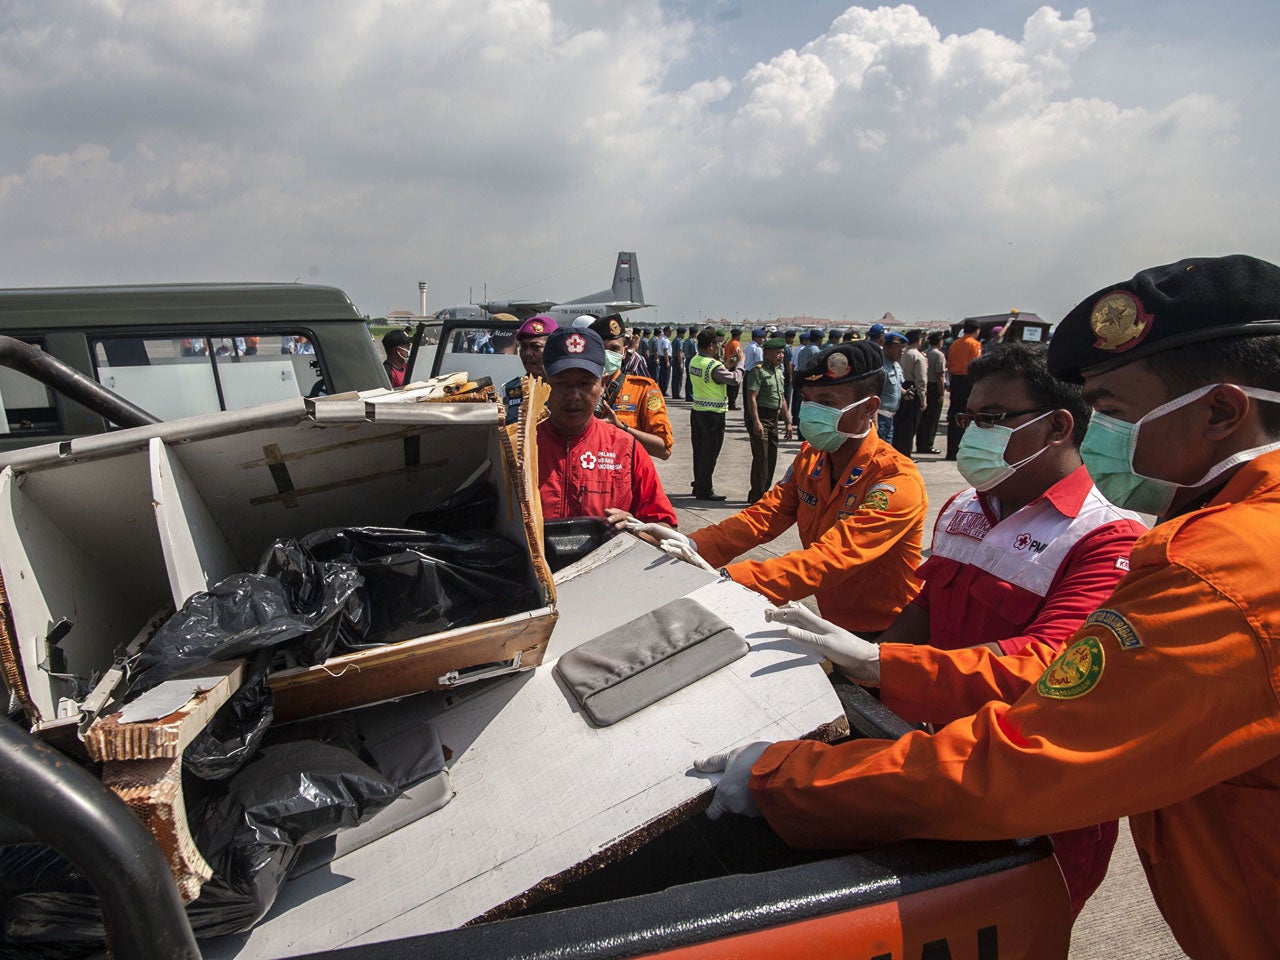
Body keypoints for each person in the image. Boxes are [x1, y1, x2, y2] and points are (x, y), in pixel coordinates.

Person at [697, 253, 1280, 958]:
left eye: (1115, 412)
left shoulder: (1206, 564)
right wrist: (865, 670)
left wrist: (786, 776)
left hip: (1011, 802)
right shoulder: (970, 510)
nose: (1104, 434)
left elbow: (1031, 752)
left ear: (1220, 410)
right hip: (935, 760)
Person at [870, 341, 1147, 915]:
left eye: (995, 420)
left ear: (1057, 426)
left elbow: (1047, 663)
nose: (975, 432)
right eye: (970, 417)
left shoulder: (1105, 535)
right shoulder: (965, 507)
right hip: (939, 762)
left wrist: (878, 666)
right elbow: (924, 614)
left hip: (1037, 790)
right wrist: (846, 662)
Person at [687, 341, 926, 634]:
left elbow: (832, 557)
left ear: (869, 407)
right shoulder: (811, 459)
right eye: (807, 400)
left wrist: (731, 582)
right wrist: (692, 547)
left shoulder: (894, 479)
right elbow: (763, 517)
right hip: (833, 624)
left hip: (889, 634)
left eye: (826, 403)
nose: (811, 411)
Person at [536, 328, 677, 526]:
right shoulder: (520, 448)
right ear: (544, 382)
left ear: (602, 384)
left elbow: (666, 525)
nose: (574, 395)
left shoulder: (626, 449)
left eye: (585, 384)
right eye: (561, 383)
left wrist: (636, 528)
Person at [590, 315, 674, 461]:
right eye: (601, 348)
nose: (606, 355)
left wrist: (622, 429)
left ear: (624, 352)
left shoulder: (643, 389)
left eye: (614, 349)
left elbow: (664, 449)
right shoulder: (577, 390)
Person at [688, 326, 742, 501]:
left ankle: (699, 484)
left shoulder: (695, 361)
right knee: (710, 453)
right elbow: (734, 380)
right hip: (713, 415)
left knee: (699, 451)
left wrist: (728, 366)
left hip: (697, 411)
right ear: (711, 345)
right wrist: (740, 363)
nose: (718, 347)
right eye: (717, 344)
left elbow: (712, 376)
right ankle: (705, 489)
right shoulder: (713, 365)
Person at [744, 337, 793, 503]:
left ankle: (764, 492)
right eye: (777, 353)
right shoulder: (758, 371)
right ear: (767, 353)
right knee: (761, 458)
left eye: (782, 353)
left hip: (774, 418)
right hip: (761, 417)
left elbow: (782, 398)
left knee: (771, 457)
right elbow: (751, 398)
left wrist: (788, 421)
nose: (781, 356)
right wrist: (756, 421)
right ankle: (756, 495)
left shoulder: (778, 372)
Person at [500, 314, 558, 424]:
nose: (527, 353)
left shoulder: (563, 389)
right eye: (524, 347)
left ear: (553, 349)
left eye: (536, 347)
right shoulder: (510, 389)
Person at [945, 318, 983, 459]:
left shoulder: (955, 344)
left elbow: (949, 365)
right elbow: (977, 366)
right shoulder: (975, 344)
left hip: (955, 380)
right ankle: (963, 450)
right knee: (968, 416)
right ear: (976, 330)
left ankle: (951, 450)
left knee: (954, 415)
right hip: (968, 382)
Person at [893, 329, 928, 457]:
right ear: (919, 340)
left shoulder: (900, 353)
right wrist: (923, 399)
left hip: (899, 387)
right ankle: (906, 454)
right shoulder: (918, 356)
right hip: (912, 390)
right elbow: (921, 379)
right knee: (910, 425)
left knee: (898, 423)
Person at [915, 331, 946, 455]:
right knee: (932, 418)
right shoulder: (939, 355)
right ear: (939, 342)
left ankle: (920, 443)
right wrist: (942, 392)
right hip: (934, 387)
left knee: (924, 418)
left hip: (926, 386)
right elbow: (940, 375)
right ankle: (928, 444)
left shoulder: (925, 353)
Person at [876, 332, 906, 443]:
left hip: (890, 418)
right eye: (898, 348)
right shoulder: (880, 367)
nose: (902, 351)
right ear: (886, 348)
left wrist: (904, 393)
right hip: (880, 417)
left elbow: (897, 386)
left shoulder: (896, 365)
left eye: (903, 348)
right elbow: (873, 393)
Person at [792, 330, 820, 428]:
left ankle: (800, 429)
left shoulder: (803, 350)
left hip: (802, 380)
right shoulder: (816, 351)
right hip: (811, 383)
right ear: (818, 340)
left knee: (801, 405)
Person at [722, 328, 743, 410]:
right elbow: (737, 355)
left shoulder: (728, 343)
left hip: (728, 365)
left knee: (729, 386)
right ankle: (732, 403)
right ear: (737, 336)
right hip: (734, 366)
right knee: (734, 387)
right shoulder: (736, 344)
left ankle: (729, 402)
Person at [654, 326, 673, 396]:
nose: (671, 333)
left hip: (662, 358)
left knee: (662, 375)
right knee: (666, 376)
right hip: (666, 358)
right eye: (670, 331)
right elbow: (665, 351)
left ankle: (661, 390)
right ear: (665, 331)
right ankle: (663, 391)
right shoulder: (665, 340)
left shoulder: (660, 339)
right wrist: (667, 361)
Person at [682, 326, 698, 399]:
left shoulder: (686, 341)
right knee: (692, 379)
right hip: (692, 360)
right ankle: (690, 395)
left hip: (687, 360)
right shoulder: (693, 342)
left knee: (688, 379)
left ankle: (688, 395)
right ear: (694, 333)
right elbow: (695, 353)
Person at [670, 327, 686, 400]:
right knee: (679, 378)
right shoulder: (679, 341)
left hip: (674, 359)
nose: (684, 335)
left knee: (675, 378)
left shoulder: (674, 340)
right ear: (680, 334)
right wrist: (681, 363)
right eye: (683, 334)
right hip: (678, 359)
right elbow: (679, 352)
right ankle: (677, 394)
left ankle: (674, 393)